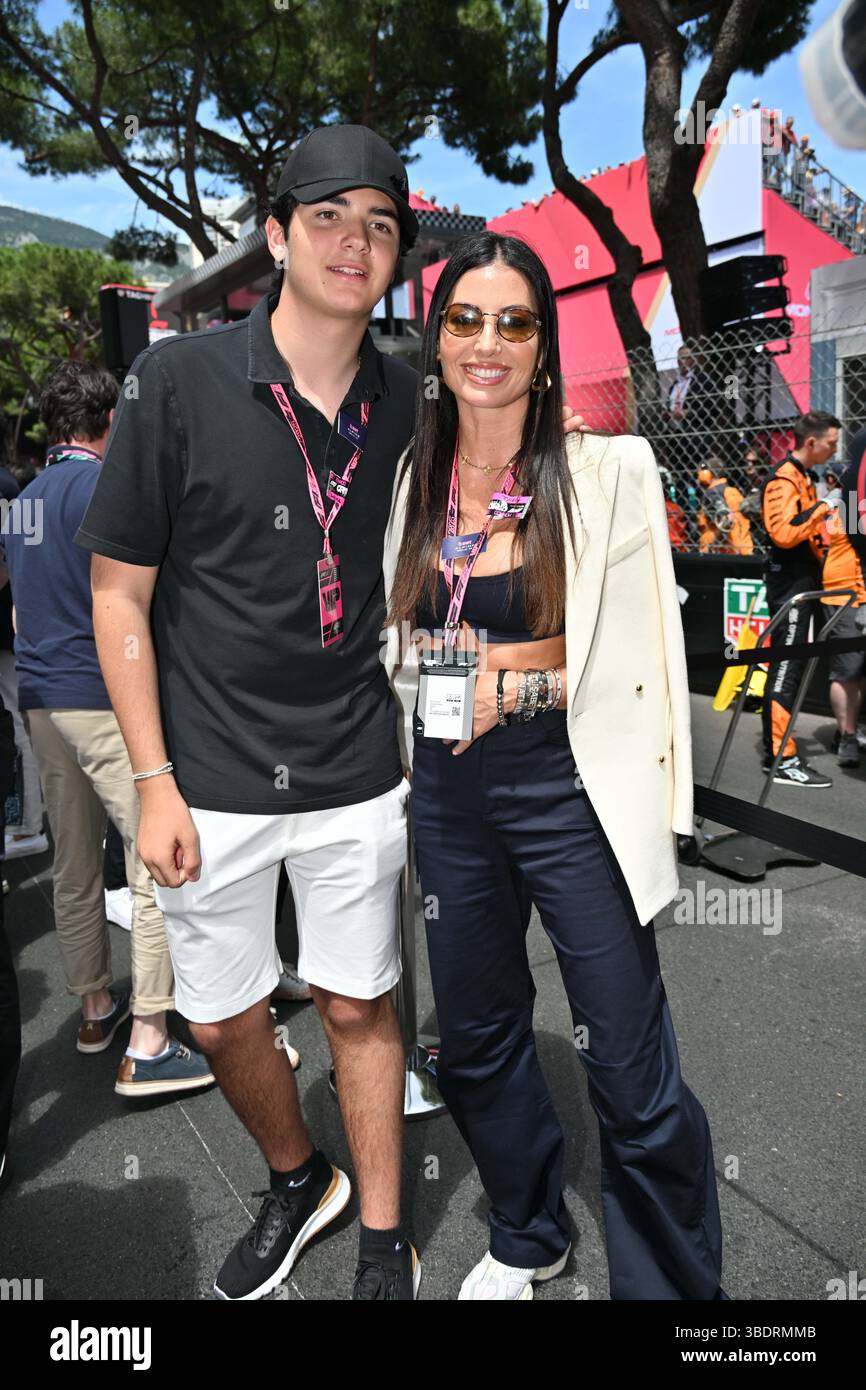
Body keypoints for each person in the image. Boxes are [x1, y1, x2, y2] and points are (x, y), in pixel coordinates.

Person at [75, 125, 584, 1301]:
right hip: (204, 776)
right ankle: (298, 1176)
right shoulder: (181, 378)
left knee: (362, 1002)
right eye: (327, 218)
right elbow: (120, 594)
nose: (354, 243)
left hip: (361, 766)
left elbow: (498, 513)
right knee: (219, 1020)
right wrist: (150, 780)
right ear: (275, 236)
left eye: (379, 224)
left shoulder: (415, 394)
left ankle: (379, 1235)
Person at [382, 231, 729, 1302]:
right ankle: (528, 1228)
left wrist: (515, 683)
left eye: (514, 321)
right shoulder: (416, 471)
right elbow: (404, 646)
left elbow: (632, 656)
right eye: (465, 319)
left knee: (628, 1067)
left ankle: (671, 1293)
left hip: (570, 789)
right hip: (448, 789)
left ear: (542, 343)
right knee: (476, 1041)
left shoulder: (606, 465)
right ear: (436, 337)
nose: (486, 342)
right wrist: (452, 684)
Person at [1, 361, 214, 1099]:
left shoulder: (23, 500)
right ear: (108, 422)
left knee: (75, 863)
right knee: (152, 864)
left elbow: (20, 609)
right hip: (102, 700)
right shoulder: (102, 488)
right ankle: (151, 1038)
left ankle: (95, 1008)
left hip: (40, 698)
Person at [759, 411, 840, 786]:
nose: (835, 448)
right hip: (789, 584)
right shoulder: (783, 479)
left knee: (789, 665)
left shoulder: (804, 477)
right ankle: (781, 758)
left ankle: (781, 751)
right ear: (812, 442)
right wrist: (824, 506)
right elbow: (784, 533)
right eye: (832, 442)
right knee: (785, 666)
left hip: (801, 582)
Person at [820, 427, 866, 766]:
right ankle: (846, 736)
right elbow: (851, 534)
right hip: (845, 593)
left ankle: (853, 729)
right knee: (847, 670)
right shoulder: (840, 503)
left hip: (858, 589)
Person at [695, 464, 753, 555]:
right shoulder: (733, 491)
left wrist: (710, 546)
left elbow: (725, 520)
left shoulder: (712, 493)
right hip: (744, 547)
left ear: (706, 473)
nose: (697, 479)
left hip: (721, 552)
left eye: (698, 474)